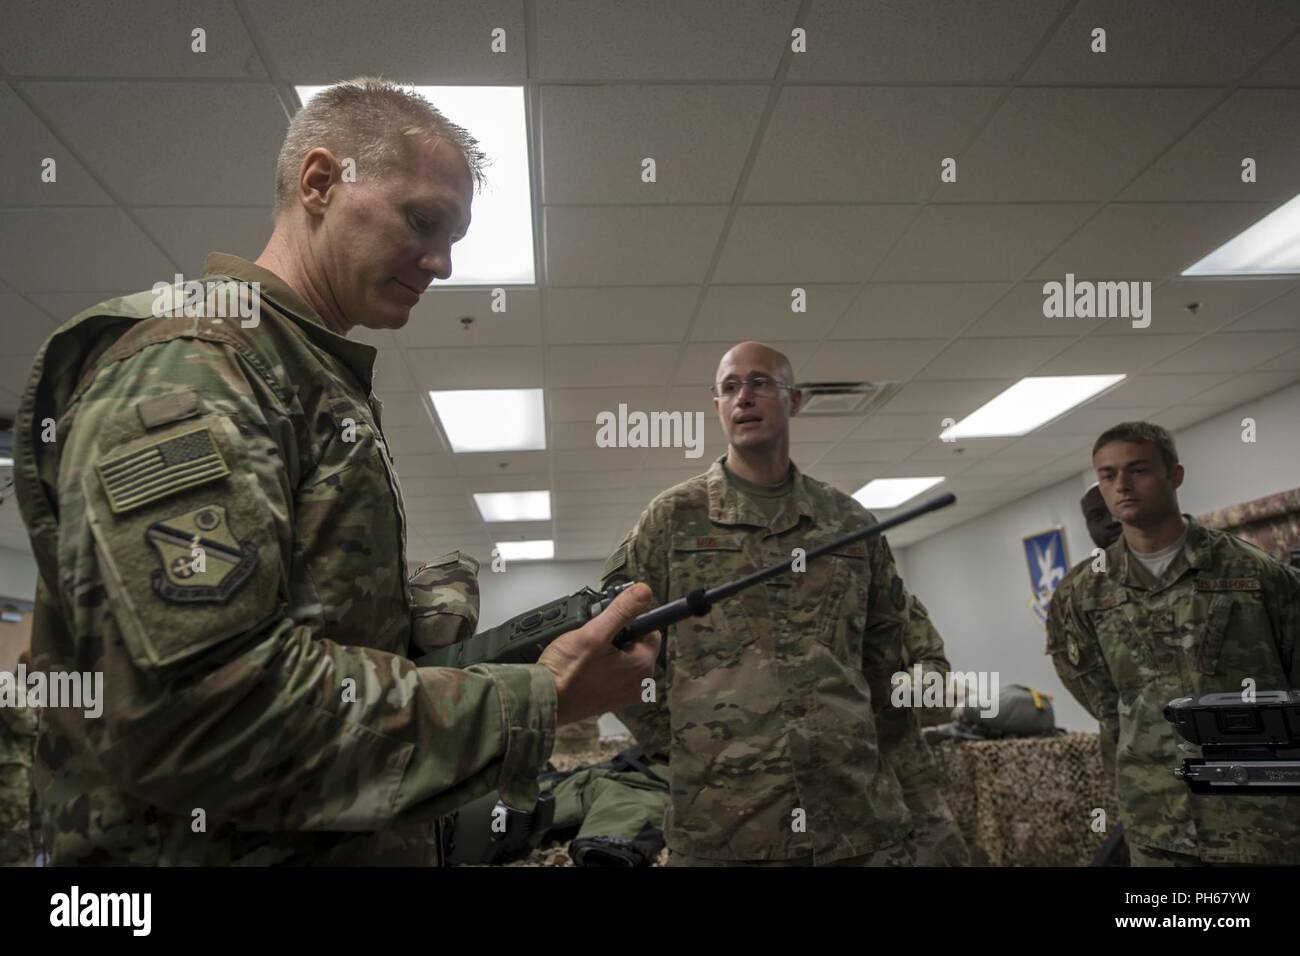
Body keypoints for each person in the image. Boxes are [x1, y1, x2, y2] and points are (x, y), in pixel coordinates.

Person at [12, 77, 658, 865]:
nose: (443, 265)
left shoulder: (297, 374)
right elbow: (202, 713)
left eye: (454, 239)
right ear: (320, 182)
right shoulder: (196, 369)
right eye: (422, 222)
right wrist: (538, 701)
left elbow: (299, 645)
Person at [601, 340, 954, 866]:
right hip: (723, 828)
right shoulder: (672, 520)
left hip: (852, 821)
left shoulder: (849, 523)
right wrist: (685, 742)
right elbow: (613, 648)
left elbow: (885, 659)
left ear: (796, 400)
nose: (744, 397)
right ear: (717, 406)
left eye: (761, 382)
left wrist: (923, 806)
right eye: (729, 387)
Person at [1045, 422, 1300, 865]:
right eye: (1107, 475)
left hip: (1261, 817)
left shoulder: (1254, 572)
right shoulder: (1083, 593)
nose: (1121, 485)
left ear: (1174, 475)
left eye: (1137, 469)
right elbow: (1098, 695)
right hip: (1156, 817)